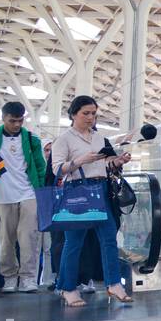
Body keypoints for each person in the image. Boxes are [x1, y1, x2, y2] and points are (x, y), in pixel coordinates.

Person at [50, 96, 133, 308]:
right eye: (85, 113)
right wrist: (80, 160)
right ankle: (68, 288)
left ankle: (114, 283)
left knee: (109, 239)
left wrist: (118, 161)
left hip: (102, 190)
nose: (90, 117)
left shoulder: (99, 138)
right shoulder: (64, 139)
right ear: (73, 114)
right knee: (74, 241)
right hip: (77, 191)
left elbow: (106, 164)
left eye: (93, 113)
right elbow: (57, 170)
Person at [0, 101, 46, 292]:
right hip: (2, 195)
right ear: (3, 118)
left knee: (29, 237)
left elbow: (40, 167)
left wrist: (43, 193)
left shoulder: (31, 139)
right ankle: (9, 278)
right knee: (6, 239)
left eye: (20, 120)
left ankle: (28, 278)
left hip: (29, 193)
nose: (16, 125)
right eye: (12, 121)